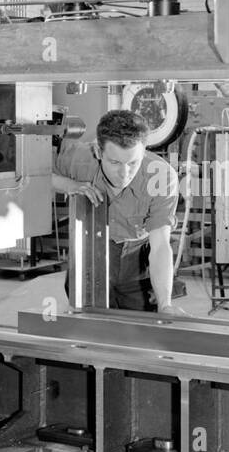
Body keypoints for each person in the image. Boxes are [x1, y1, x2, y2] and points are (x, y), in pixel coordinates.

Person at [52, 109, 185, 313]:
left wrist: (165, 304)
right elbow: (39, 175)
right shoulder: (79, 158)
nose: (124, 174)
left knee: (139, 331)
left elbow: (160, 246)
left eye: (133, 163)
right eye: (114, 163)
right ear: (98, 151)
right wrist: (69, 185)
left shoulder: (161, 176)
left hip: (137, 259)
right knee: (86, 326)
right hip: (88, 252)